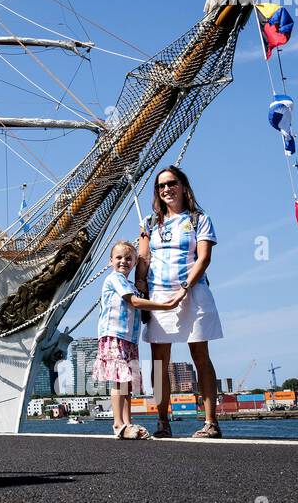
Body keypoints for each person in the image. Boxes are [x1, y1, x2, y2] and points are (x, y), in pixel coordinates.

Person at [136, 165, 225, 439]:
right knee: (160, 362)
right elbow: (143, 260)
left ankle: (210, 422)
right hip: (159, 296)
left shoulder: (199, 219)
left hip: (193, 292)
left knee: (200, 356)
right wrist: (141, 289)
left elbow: (204, 258)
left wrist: (184, 288)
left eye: (171, 183)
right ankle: (163, 421)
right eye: (160, 186)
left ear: (183, 186)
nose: (166, 189)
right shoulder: (150, 224)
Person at [94, 241, 182, 439]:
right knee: (119, 380)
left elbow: (138, 305)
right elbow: (133, 302)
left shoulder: (130, 285)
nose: (123, 261)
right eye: (118, 258)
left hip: (129, 339)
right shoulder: (115, 278)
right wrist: (165, 306)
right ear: (110, 261)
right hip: (115, 334)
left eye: (128, 258)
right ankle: (118, 423)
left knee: (127, 382)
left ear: (134, 263)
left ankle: (128, 423)